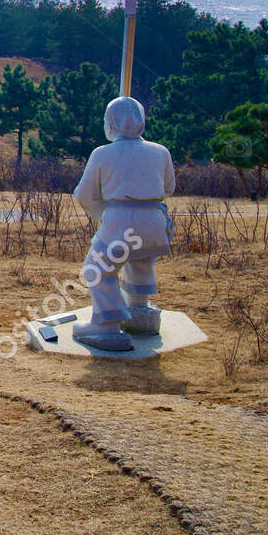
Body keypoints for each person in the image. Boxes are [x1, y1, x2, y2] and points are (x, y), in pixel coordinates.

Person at [72, 96, 176, 351]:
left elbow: (84, 193)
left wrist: (102, 213)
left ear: (110, 122)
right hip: (154, 218)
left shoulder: (102, 153)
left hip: (120, 218)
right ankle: (140, 313)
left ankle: (106, 325)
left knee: (97, 269)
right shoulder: (161, 151)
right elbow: (169, 188)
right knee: (141, 260)